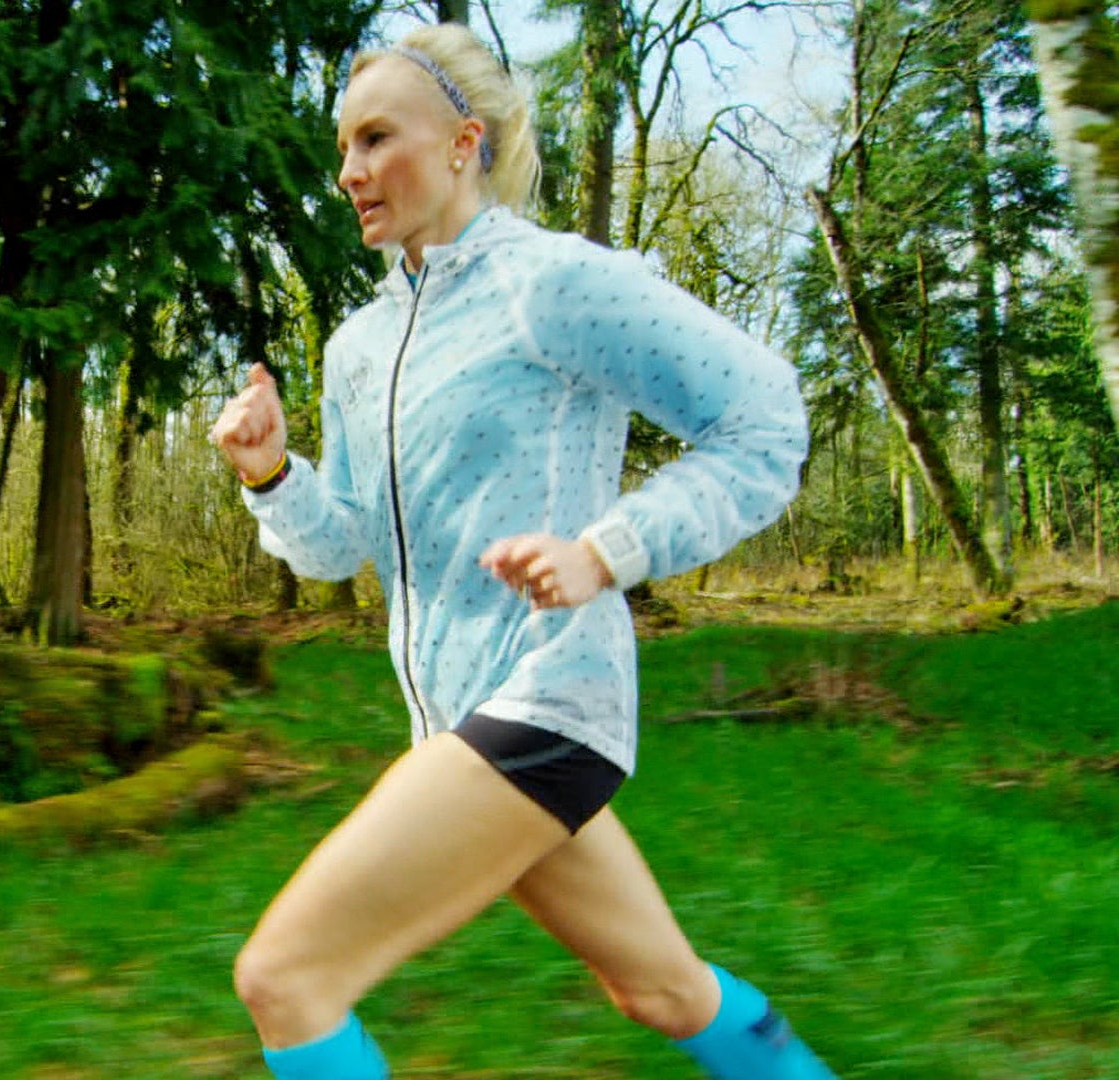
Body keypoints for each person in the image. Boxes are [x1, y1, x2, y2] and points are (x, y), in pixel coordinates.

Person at [206, 22, 838, 1080]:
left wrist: (610, 548)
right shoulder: (358, 349)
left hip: (548, 698)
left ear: (464, 143)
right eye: (343, 147)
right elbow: (341, 546)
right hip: (455, 726)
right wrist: (271, 474)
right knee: (661, 989)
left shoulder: (550, 285)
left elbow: (766, 423)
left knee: (286, 978)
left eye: (375, 139)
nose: (349, 171)